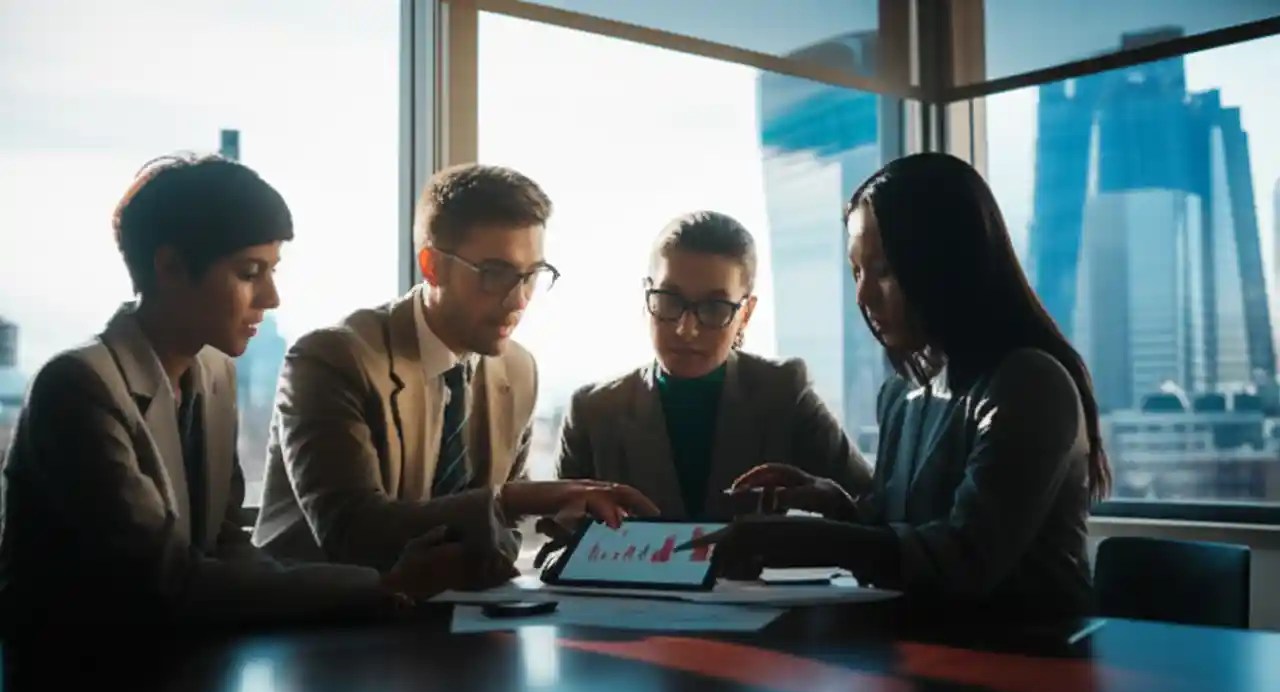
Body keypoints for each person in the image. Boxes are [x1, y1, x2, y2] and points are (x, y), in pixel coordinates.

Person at [0, 154, 477, 631]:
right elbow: (166, 578)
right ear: (170, 268)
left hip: (180, 658)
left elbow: (226, 543)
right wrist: (381, 584)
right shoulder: (78, 387)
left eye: (272, 271)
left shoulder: (213, 375)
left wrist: (379, 586)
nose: (271, 297)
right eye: (250, 273)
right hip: (74, 666)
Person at [694, 154, 1111, 619]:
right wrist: (836, 504)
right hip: (924, 646)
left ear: (946, 262)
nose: (863, 296)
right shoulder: (903, 393)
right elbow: (904, 533)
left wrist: (809, 541)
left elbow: (965, 558)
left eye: (884, 270)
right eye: (857, 271)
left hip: (1029, 651)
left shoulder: (1029, 384)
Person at [253, 163, 658, 572]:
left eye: (532, 275)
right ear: (432, 266)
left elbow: (503, 536)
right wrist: (511, 502)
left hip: (455, 603)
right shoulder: (333, 359)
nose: (519, 300)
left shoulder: (517, 370)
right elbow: (353, 532)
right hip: (324, 605)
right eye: (495, 274)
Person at [555, 211, 871, 520]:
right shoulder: (593, 413)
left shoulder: (783, 393)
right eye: (669, 300)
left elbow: (870, 503)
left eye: (715, 308)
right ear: (647, 296)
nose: (686, 329)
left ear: (745, 314)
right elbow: (557, 537)